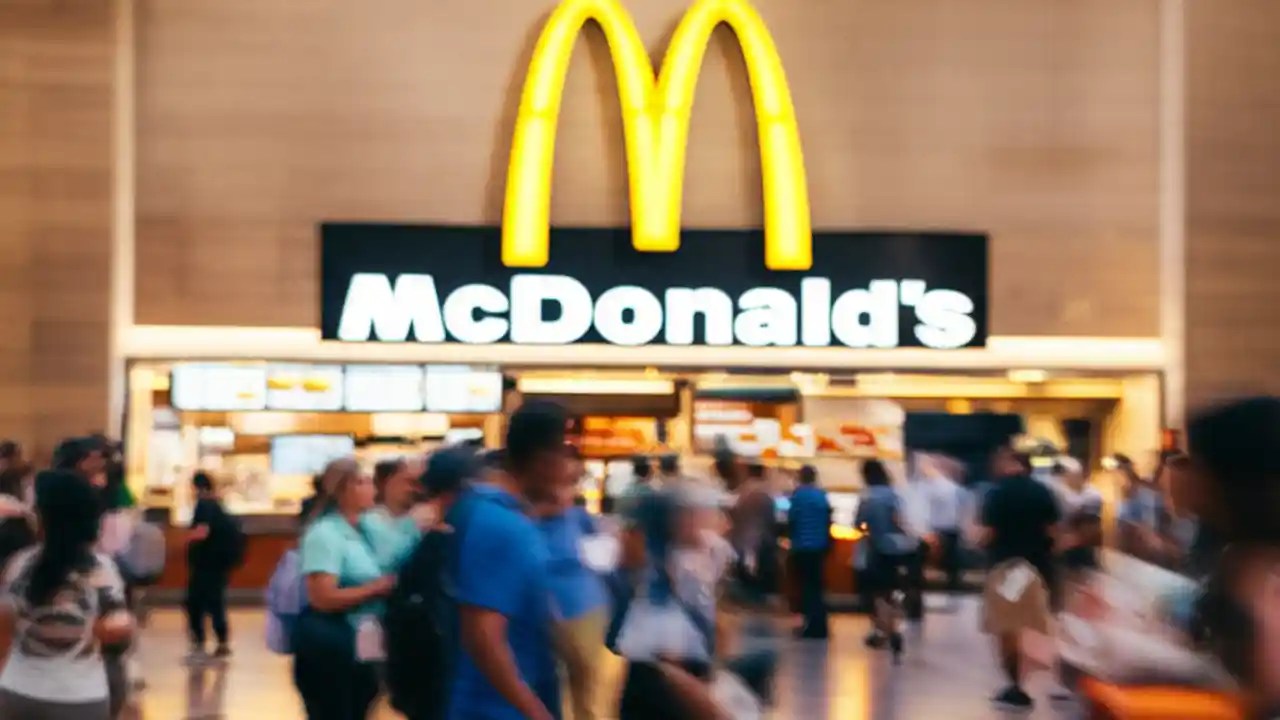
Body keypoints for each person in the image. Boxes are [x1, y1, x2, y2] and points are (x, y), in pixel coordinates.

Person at [450, 402, 563, 720]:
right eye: (565, 455)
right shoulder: (504, 527)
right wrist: (534, 711)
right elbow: (484, 635)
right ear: (545, 460)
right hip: (493, 709)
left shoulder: (477, 508)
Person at [0, 470, 134, 719]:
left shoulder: (19, 565)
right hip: (80, 697)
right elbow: (119, 628)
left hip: (19, 692)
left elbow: (3, 624)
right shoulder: (100, 569)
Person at [1181, 397, 1280, 718]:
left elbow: (1267, 693)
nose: (1188, 479)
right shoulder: (1235, 554)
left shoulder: (1265, 571)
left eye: (1197, 465)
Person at [293, 458, 401, 720]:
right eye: (362, 482)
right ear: (343, 490)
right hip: (331, 645)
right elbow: (322, 597)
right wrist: (374, 588)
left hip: (362, 643)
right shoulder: (325, 534)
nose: (372, 489)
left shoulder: (365, 530)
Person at [978, 446, 1061, 712]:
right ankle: (1038, 681)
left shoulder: (997, 493)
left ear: (1012, 463)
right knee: (1033, 626)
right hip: (1037, 568)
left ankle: (1016, 686)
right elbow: (1054, 531)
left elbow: (987, 533)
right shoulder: (1043, 491)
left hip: (1007, 567)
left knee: (1007, 628)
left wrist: (978, 544)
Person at [536, 446, 607, 720]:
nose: (566, 491)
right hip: (544, 608)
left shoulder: (578, 517)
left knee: (587, 688)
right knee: (544, 684)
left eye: (571, 483)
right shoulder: (519, 518)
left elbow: (599, 551)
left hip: (582, 607)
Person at [853, 460, 914, 661]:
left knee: (876, 594)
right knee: (891, 592)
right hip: (898, 549)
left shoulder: (868, 497)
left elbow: (858, 524)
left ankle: (885, 631)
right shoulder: (893, 494)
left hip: (876, 550)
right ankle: (892, 627)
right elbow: (901, 520)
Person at [185, 471, 235, 663]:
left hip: (205, 563)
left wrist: (183, 541)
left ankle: (199, 643)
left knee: (195, 603)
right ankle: (222, 642)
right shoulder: (218, 504)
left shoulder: (203, 505)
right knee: (216, 603)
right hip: (219, 564)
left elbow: (201, 532)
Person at [786, 465, 831, 640]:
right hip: (819, 547)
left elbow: (792, 520)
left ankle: (809, 626)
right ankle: (821, 625)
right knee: (817, 587)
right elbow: (828, 519)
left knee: (804, 588)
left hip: (801, 547)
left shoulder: (798, 496)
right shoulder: (821, 495)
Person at [370, 457, 426, 569]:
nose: (418, 490)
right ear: (387, 481)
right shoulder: (369, 521)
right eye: (411, 482)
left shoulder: (419, 521)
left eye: (421, 484)